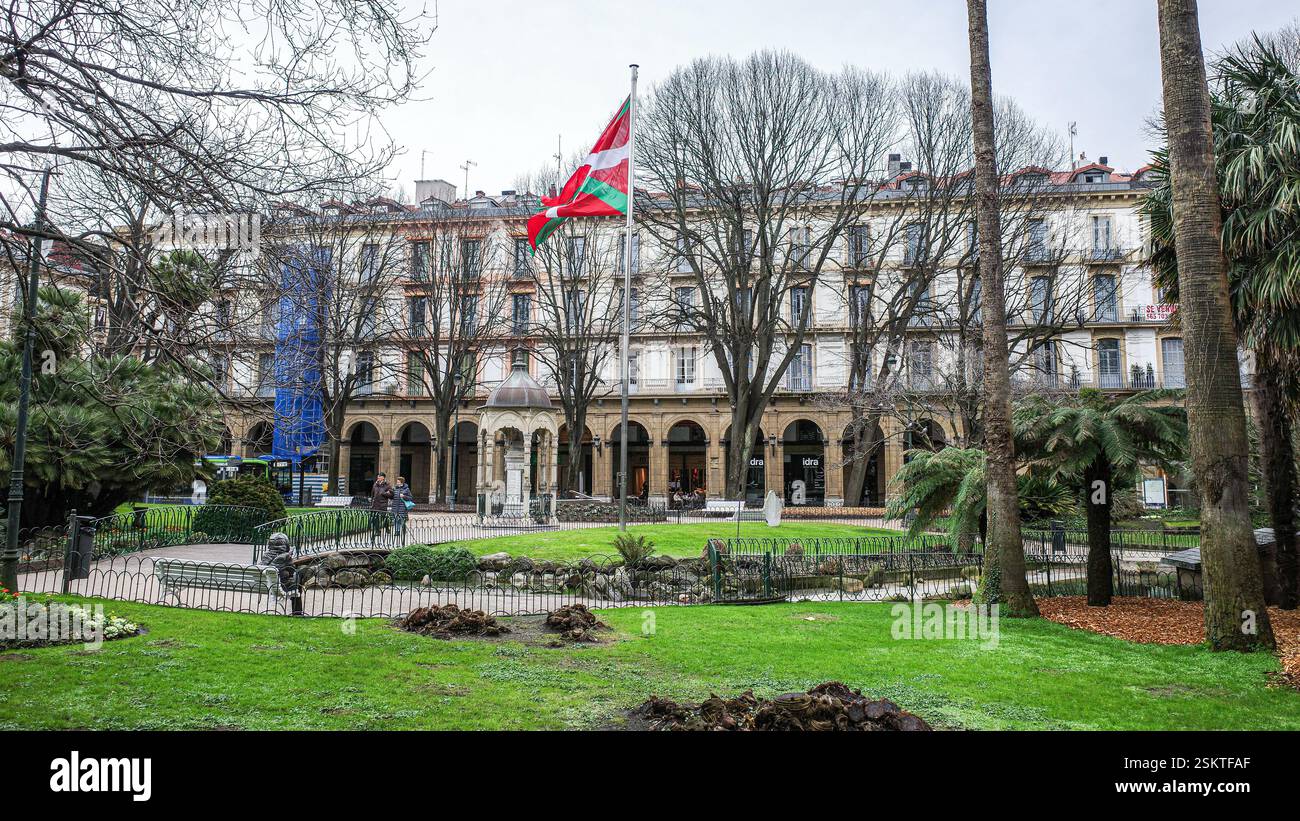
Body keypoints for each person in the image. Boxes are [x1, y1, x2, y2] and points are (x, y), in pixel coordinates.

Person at [369, 473, 393, 542]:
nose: (378, 478)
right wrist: (371, 502)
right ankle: (377, 531)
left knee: (383, 517)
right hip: (375, 504)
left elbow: (392, 495)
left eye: (379, 477)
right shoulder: (375, 484)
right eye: (378, 477)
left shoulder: (387, 485)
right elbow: (372, 494)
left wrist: (384, 493)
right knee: (374, 518)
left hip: (383, 504)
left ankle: (387, 527)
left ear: (383, 477)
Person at [391, 475, 413, 542]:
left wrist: (404, 496)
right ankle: (397, 531)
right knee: (395, 519)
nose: (397, 483)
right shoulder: (395, 489)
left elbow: (410, 498)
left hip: (402, 507)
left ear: (402, 482)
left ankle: (403, 528)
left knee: (401, 520)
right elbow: (392, 497)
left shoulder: (406, 489)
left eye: (398, 482)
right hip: (395, 507)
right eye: (397, 482)